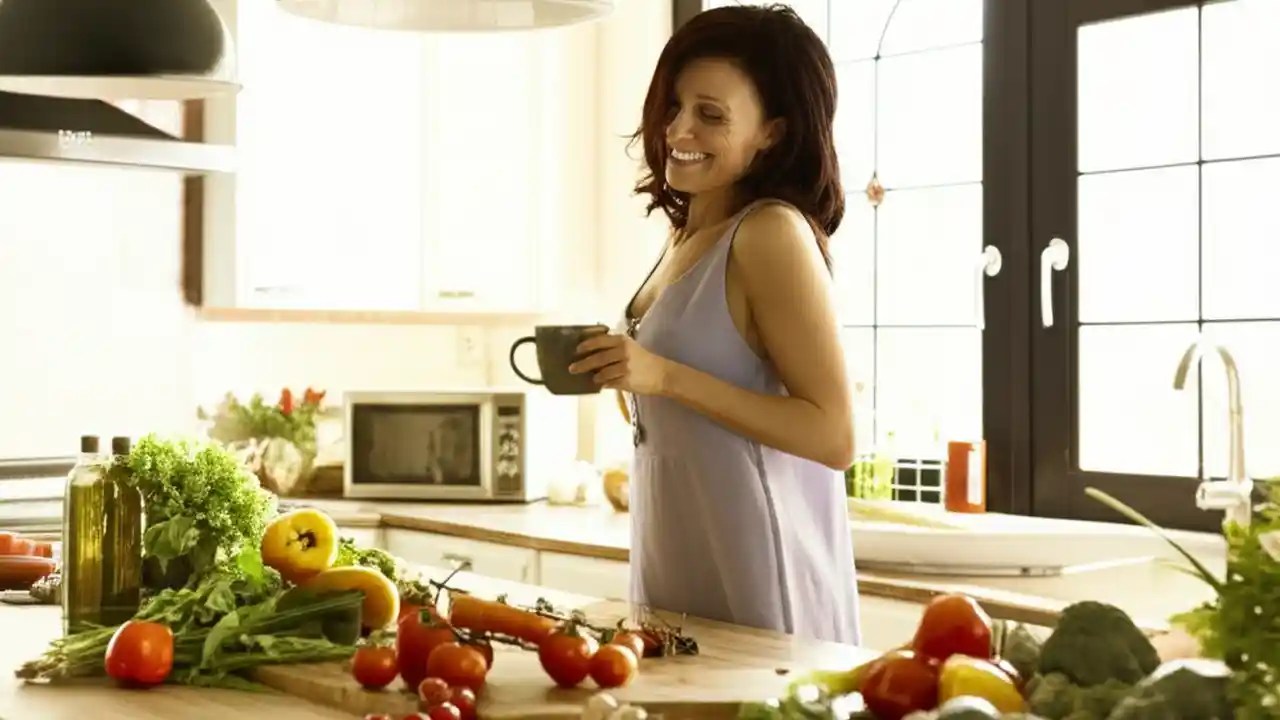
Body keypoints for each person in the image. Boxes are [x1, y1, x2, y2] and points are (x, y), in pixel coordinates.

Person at [567, 3, 861, 645]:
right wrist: (622, 372)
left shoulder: (770, 233)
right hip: (676, 564)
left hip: (760, 575)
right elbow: (686, 405)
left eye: (711, 113)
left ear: (773, 134)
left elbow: (834, 434)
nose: (678, 128)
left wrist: (664, 374)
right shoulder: (685, 234)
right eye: (674, 106)